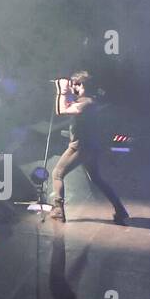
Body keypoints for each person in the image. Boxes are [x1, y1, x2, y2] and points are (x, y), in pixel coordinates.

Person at [51, 71, 130, 225]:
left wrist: (62, 90)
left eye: (74, 84)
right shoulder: (87, 100)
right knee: (96, 178)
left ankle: (59, 210)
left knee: (57, 174)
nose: (72, 88)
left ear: (81, 85)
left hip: (80, 147)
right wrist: (66, 92)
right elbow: (68, 105)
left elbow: (61, 110)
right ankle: (120, 209)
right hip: (90, 146)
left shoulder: (87, 103)